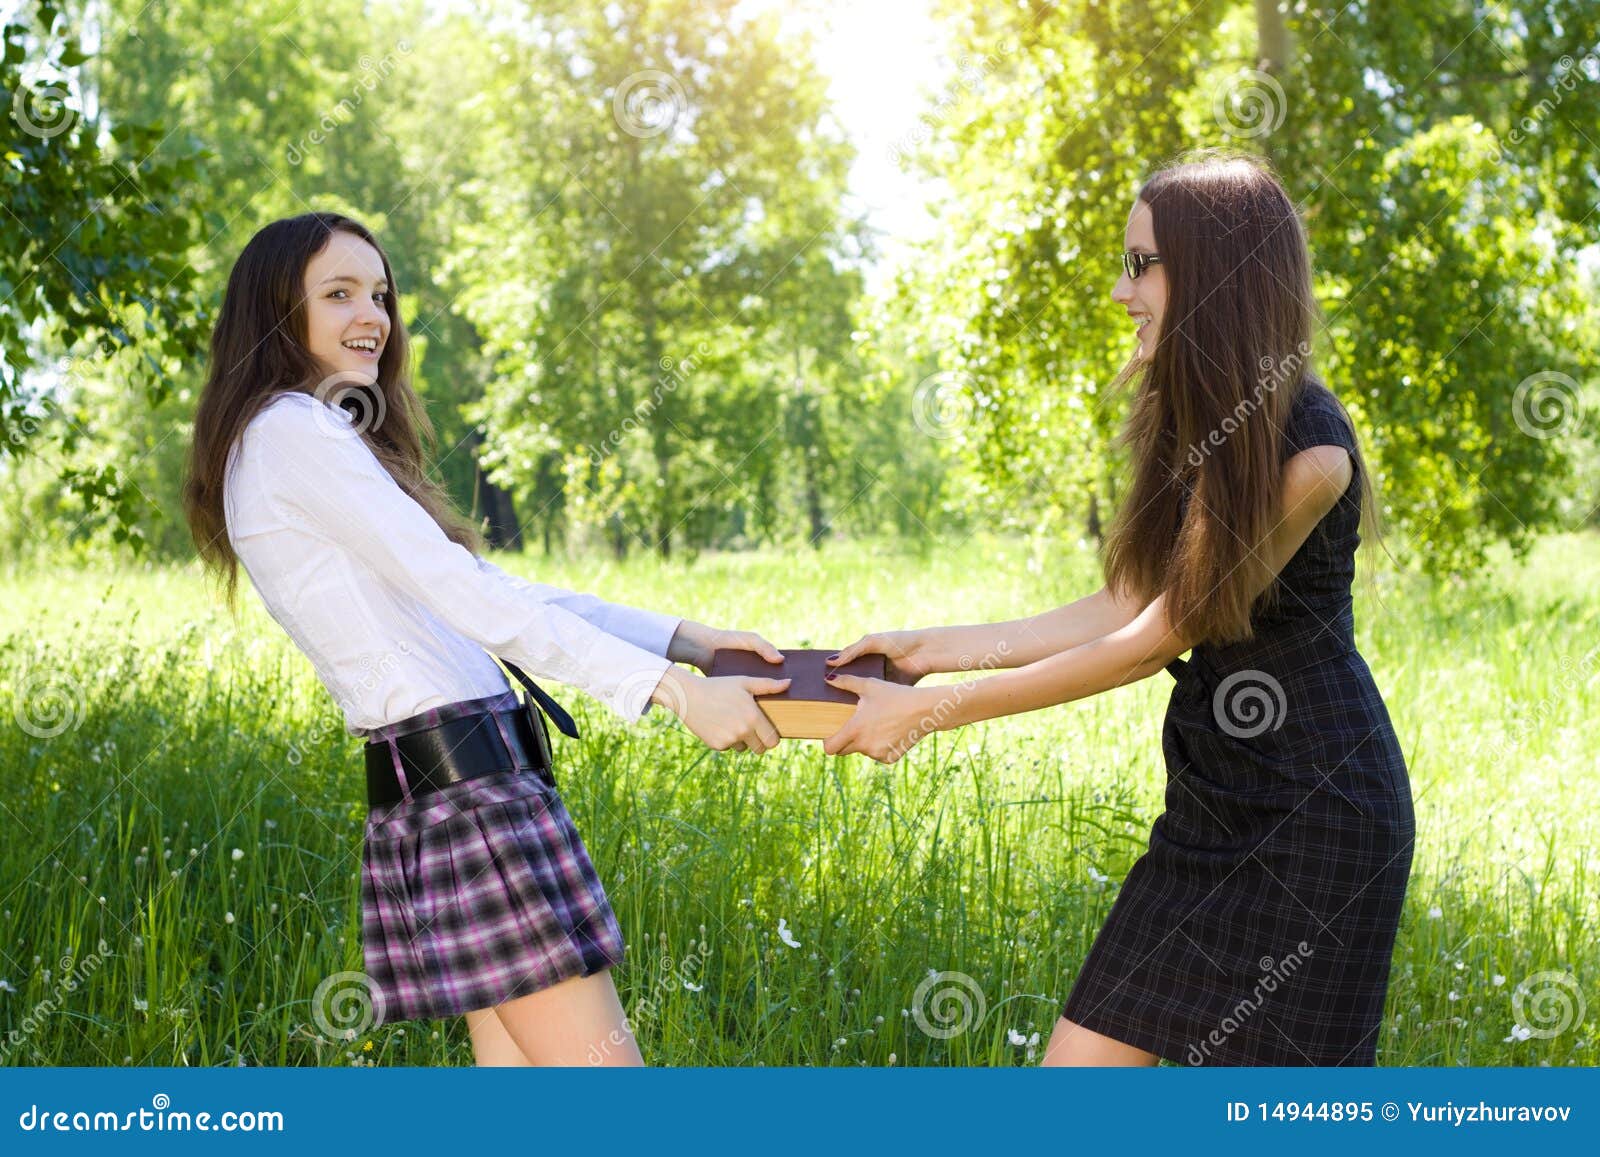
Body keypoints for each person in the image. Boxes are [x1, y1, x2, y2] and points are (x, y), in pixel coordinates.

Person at [823, 154, 1415, 1067]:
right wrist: (926, 652)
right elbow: (1124, 598)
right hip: (1217, 803)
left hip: (1316, 818)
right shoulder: (1204, 417)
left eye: (1142, 264)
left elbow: (1152, 641)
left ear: (1216, 273)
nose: (1119, 289)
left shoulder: (1310, 452)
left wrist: (928, 715)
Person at [183, 211, 789, 1065]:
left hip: (456, 795)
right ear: (279, 311)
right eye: (339, 293)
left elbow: (491, 588)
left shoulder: (303, 436)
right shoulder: (292, 432)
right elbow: (460, 589)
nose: (373, 316)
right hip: (472, 805)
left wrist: (688, 640)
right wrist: (674, 691)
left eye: (381, 293)